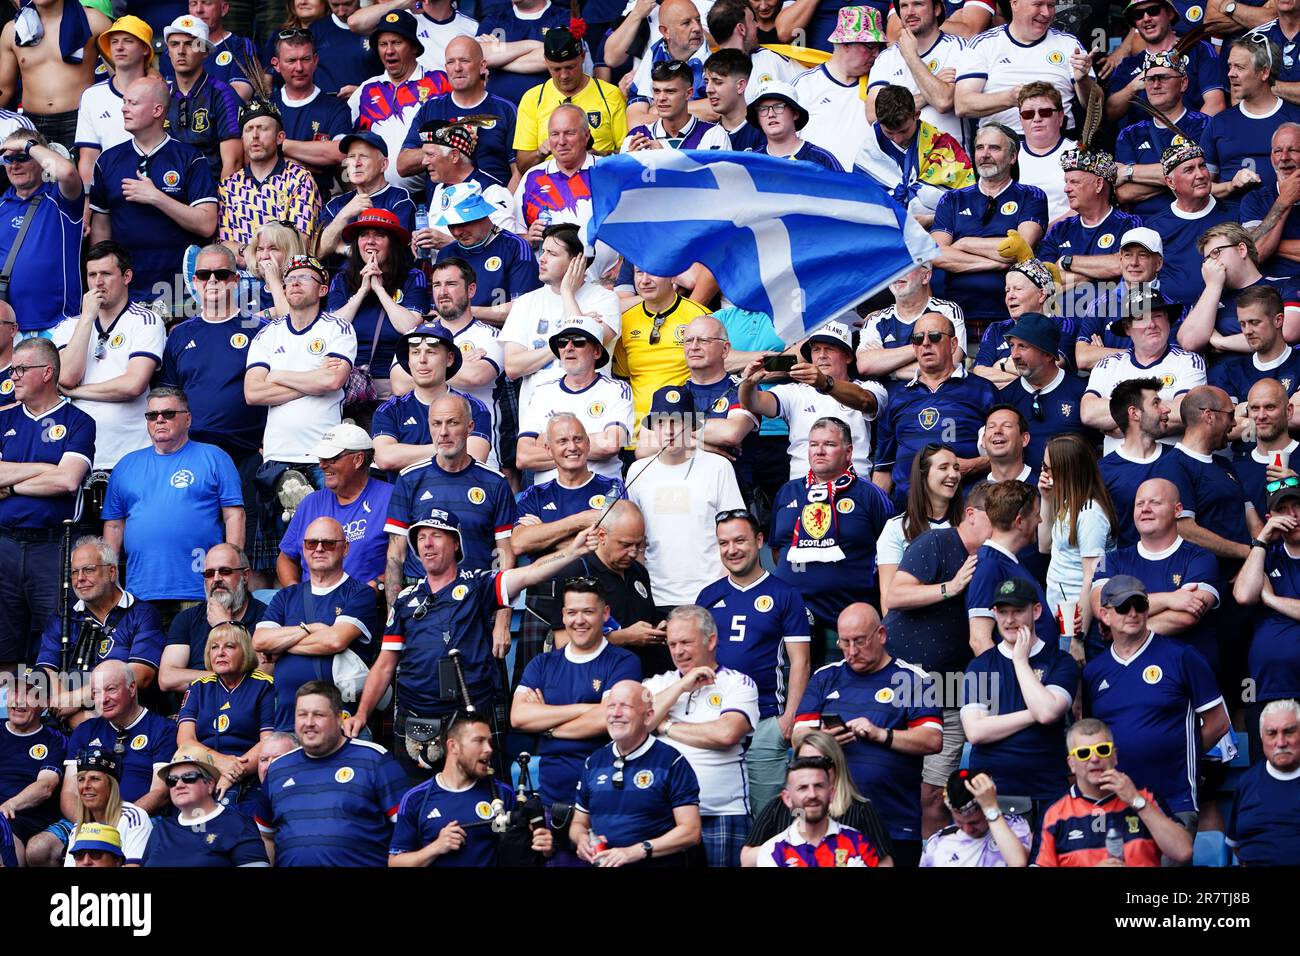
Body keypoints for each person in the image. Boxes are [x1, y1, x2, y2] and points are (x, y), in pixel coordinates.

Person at [347, 509, 603, 777]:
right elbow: (385, 665)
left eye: (436, 535)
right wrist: (362, 714)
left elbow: (531, 574)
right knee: (419, 802)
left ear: (456, 543)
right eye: (421, 537)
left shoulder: (478, 585)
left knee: (484, 796)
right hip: (415, 720)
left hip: (469, 716)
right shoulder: (405, 600)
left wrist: (573, 551)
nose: (427, 543)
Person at [793, 603, 942, 866]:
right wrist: (824, 740)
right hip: (830, 820)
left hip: (893, 821)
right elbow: (797, 737)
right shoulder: (826, 676)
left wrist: (881, 734)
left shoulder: (914, 678)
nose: (851, 651)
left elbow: (932, 739)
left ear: (881, 635)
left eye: (860, 642)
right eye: (845, 642)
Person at [1083, 575, 1230, 829]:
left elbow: (1219, 722)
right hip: (1114, 804)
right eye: (1123, 607)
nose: (1132, 613)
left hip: (1174, 801)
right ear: (1105, 615)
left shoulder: (1181, 657)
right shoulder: (1094, 671)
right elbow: (1090, 735)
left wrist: (1182, 756)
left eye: (1139, 605)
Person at [512, 577, 641, 861]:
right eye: (571, 612)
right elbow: (519, 717)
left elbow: (608, 719)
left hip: (605, 802)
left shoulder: (623, 661)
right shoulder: (543, 664)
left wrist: (548, 727)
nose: (578, 621)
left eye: (588, 612)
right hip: (553, 803)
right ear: (563, 615)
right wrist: (586, 708)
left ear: (605, 613)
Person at [698, 510, 811, 811]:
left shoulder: (785, 595)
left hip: (765, 720)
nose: (731, 550)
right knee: (720, 813)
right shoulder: (707, 596)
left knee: (767, 815)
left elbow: (800, 662)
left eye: (739, 541)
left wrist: (788, 719)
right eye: (723, 543)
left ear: (759, 540)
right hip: (715, 720)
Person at [244, 254, 355, 540]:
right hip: (276, 456)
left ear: (322, 289)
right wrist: (313, 379)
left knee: (326, 541)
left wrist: (278, 374)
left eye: (304, 277)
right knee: (281, 549)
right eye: (290, 279)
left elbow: (333, 379)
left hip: (324, 456)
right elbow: (253, 393)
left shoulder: (337, 328)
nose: (295, 282)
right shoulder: (267, 335)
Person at [101, 387, 244, 610]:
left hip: (200, 589)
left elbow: (235, 516)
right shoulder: (125, 465)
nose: (159, 420)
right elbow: (114, 526)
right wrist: (109, 581)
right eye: (151, 415)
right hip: (140, 590)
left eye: (168, 414)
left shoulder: (214, 457)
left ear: (187, 419)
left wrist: (232, 571)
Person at [0, 337, 95, 671]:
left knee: (54, 643)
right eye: (13, 370)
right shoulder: (4, 420)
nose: (14, 377)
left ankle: (49, 719)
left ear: (47, 372)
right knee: (4, 643)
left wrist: (10, 487)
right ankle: (8, 721)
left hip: (52, 546)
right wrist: (43, 469)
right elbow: (53, 476)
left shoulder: (78, 421)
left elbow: (67, 481)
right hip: (5, 543)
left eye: (22, 369)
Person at [88, 76, 220, 309]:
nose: (123, 108)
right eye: (124, 102)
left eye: (133, 103)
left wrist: (156, 197)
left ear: (157, 110)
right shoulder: (107, 161)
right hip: (127, 293)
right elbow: (101, 229)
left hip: (181, 292)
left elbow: (207, 223)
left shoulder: (189, 158)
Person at [642, 606, 759, 868]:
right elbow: (638, 723)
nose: (678, 651)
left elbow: (726, 733)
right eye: (672, 644)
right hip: (665, 813)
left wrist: (667, 727)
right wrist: (682, 685)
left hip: (721, 813)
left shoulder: (737, 683)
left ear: (712, 640)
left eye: (686, 642)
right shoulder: (659, 684)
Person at [960, 578, 1077, 825]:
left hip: (1046, 792)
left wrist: (1020, 661)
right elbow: (975, 731)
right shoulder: (981, 665)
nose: (1009, 620)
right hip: (992, 795)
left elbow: (1047, 713)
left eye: (1018, 611)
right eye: (1002, 612)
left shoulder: (1060, 661)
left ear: (1036, 611)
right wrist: (1032, 713)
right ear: (994, 613)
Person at [254, 681, 409, 866]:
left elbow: (407, 829)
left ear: (338, 718)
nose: (309, 723)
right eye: (302, 715)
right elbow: (266, 836)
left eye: (318, 715)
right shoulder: (278, 769)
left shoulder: (375, 760)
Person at [628, 386, 746, 616]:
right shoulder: (636, 471)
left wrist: (724, 589)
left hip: (710, 595)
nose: (669, 430)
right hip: (655, 596)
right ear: (653, 427)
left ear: (692, 426)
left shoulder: (718, 467)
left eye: (678, 421)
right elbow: (635, 541)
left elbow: (735, 533)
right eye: (661, 422)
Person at [52, 242, 163, 483]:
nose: (98, 282)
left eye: (106, 274)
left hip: (131, 452)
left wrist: (77, 392)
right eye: (92, 275)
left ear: (127, 276)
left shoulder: (146, 320)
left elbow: (133, 385)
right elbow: (66, 377)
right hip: (77, 455)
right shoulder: (68, 327)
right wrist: (87, 318)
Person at [254, 516, 378, 729]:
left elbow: (334, 641)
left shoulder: (360, 593)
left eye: (328, 543)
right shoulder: (286, 596)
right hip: (287, 724)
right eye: (312, 543)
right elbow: (259, 641)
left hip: (339, 726)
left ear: (345, 548)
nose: (319, 549)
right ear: (303, 548)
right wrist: (309, 629)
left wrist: (282, 647)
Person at [389, 711, 553, 866]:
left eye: (489, 742)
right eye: (479, 741)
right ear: (453, 746)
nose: (488, 749)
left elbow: (519, 856)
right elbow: (395, 862)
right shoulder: (415, 798)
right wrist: (435, 848)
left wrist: (544, 850)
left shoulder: (503, 794)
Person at [383, 393, 515, 585]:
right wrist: (393, 613)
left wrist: (502, 614)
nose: (443, 432)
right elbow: (396, 555)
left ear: (470, 427)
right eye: (436, 424)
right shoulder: (409, 478)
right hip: (421, 599)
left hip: (476, 597)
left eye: (452, 423)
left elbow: (504, 555)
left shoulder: (495, 482)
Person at [569, 679, 702, 867]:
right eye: (611, 706)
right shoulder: (594, 762)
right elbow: (578, 823)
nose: (615, 713)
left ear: (647, 716)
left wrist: (636, 851)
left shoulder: (672, 761)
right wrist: (582, 839)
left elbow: (691, 831)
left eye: (625, 706)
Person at [1091, 477, 1220, 668]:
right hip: (1126, 671)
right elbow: (1100, 607)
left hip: (1184, 674)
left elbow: (1186, 616)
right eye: (1139, 504)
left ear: (1177, 510)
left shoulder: (1201, 558)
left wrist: (1122, 629)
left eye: (1155, 502)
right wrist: (1170, 599)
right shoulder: (1111, 560)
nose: (1145, 509)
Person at [871, 312, 997, 504]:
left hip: (965, 514)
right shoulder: (898, 398)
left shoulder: (983, 390)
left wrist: (973, 465)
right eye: (918, 339)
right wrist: (877, 516)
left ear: (953, 344)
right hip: (909, 515)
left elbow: (1010, 452)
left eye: (935, 336)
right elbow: (883, 468)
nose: (926, 343)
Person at [930, 124, 1048, 328]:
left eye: (994, 148)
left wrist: (964, 243)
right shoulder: (952, 199)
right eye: (980, 148)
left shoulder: (1031, 196)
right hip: (958, 316)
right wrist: (994, 262)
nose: (984, 154)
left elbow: (1019, 248)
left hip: (1012, 316)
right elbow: (934, 253)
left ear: (1012, 157)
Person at [1034, 717, 1194, 866]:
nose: (1095, 758)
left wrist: (1136, 800)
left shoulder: (1145, 798)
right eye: (1084, 753)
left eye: (1103, 749)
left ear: (1115, 756)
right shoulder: (1053, 813)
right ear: (1071, 764)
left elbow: (1183, 852)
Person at [739, 321, 888, 480]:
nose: (822, 355)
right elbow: (752, 402)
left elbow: (865, 401)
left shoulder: (871, 387)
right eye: (816, 350)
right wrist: (748, 383)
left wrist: (825, 383)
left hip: (853, 488)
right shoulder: (794, 392)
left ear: (848, 356)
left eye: (829, 349)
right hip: (802, 488)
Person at [500, 224, 619, 413]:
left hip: (588, 411)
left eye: (552, 254)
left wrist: (567, 293)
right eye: (542, 251)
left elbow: (584, 352)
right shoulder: (526, 303)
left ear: (577, 261)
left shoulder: (604, 299)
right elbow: (513, 367)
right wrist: (566, 337)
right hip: (537, 415)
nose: (542, 259)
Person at [33, 536, 165, 699]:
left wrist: (76, 700)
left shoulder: (143, 614)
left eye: (88, 569)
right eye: (74, 572)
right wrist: (64, 704)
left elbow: (141, 675)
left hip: (123, 714)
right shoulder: (63, 617)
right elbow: (46, 671)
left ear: (111, 572)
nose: (80, 578)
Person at [547, 500, 669, 675]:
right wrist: (626, 637)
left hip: (641, 676)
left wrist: (656, 631)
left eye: (638, 544)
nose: (633, 553)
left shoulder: (638, 571)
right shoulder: (577, 572)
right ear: (602, 536)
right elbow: (564, 643)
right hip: (596, 678)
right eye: (625, 545)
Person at [1082, 290, 1205, 454]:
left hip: (1169, 468)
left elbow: (1186, 413)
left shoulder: (1188, 361)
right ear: (1127, 328)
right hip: (1119, 473)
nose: (1151, 324)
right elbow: (1088, 413)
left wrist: (1126, 425)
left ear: (1168, 320)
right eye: (1141, 318)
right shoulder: (1108, 364)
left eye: (1157, 315)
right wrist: (1159, 413)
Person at [518, 316, 634, 484]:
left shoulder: (615, 389)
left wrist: (552, 442)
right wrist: (588, 443)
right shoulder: (542, 392)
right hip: (548, 497)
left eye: (578, 341)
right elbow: (523, 457)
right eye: (562, 342)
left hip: (600, 492)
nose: (568, 347)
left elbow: (610, 444)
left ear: (597, 351)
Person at [953, 0, 1097, 135]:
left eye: (1051, 5)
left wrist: (1083, 80)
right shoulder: (984, 43)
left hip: (1058, 144)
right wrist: (1009, 99)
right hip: (1000, 146)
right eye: (1038, 4)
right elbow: (962, 105)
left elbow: (1097, 106)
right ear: (1014, 3)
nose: (1046, 13)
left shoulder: (1068, 43)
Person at [347, 11, 452, 192]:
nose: (389, 51)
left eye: (397, 43)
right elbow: (347, 145)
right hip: (376, 200)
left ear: (414, 47)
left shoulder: (440, 83)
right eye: (383, 44)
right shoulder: (365, 90)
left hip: (427, 198)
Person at [279, 425, 394, 587]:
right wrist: (297, 596)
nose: (322, 465)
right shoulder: (311, 503)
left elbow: (403, 559)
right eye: (321, 458)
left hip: (366, 605)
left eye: (331, 458)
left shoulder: (390, 498)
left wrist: (373, 589)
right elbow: (286, 557)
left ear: (358, 459)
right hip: (311, 606)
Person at [327, 208, 425, 396]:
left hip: (395, 384)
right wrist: (363, 291)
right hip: (348, 384)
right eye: (364, 235)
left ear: (393, 243)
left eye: (379, 235)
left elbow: (409, 326)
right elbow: (332, 328)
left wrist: (379, 290)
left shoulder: (412, 276)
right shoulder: (341, 278)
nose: (370, 241)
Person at [1155, 384, 1255, 568]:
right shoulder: (1173, 466)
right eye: (1230, 415)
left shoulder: (1224, 464)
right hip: (1206, 579)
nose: (1234, 423)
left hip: (1246, 575)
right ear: (1209, 416)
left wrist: (1259, 555)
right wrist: (1246, 553)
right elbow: (1184, 529)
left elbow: (1251, 517)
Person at [396, 35, 517, 187]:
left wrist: (505, 206)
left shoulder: (505, 109)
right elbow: (402, 165)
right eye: (450, 62)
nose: (457, 68)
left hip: (492, 205)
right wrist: (448, 140)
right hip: (442, 207)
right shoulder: (431, 108)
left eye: (464, 61)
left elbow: (519, 171)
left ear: (482, 66)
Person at [61, 660, 176, 815]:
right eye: (96, 693)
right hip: (86, 822)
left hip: (138, 821)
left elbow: (160, 793)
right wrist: (87, 827)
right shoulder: (84, 731)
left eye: (111, 689)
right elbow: (69, 793)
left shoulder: (162, 729)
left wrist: (118, 824)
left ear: (132, 688)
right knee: (41, 841)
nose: (103, 699)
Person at [1234, 482, 1300, 751]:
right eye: (1283, 510)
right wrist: (1261, 541)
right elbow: (1244, 595)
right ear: (1272, 518)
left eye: (1298, 507)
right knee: (1269, 775)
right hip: (1267, 687)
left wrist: (1271, 600)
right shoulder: (1265, 557)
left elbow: (1261, 598)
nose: (1293, 515)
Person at [0, 129, 83, 337]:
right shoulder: (2, 204)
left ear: (39, 158)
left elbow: (67, 172)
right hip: (9, 332)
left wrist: (28, 145)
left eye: (22, 157)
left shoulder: (60, 197)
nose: (14, 165)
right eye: (8, 159)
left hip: (57, 325)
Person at [375, 324, 492, 472]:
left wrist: (403, 454)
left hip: (457, 493)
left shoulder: (472, 407)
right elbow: (385, 459)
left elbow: (474, 455)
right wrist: (452, 448)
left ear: (449, 359)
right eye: (415, 352)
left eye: (431, 352)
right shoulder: (390, 409)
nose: (422, 360)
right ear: (409, 360)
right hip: (407, 494)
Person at [175, 622, 274, 795]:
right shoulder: (199, 687)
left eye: (229, 646)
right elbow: (185, 741)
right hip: (203, 767)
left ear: (244, 651)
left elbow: (268, 742)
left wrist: (232, 774)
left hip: (248, 770)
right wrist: (220, 762)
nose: (220, 652)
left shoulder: (263, 685)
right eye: (214, 647)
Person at [1204, 35, 1300, 214]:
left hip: (1290, 219)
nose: (1230, 73)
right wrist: (1230, 186)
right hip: (1231, 224)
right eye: (1230, 66)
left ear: (1264, 72)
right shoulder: (1219, 122)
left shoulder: (1295, 119)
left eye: (1239, 67)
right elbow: (1200, 188)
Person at [1114, 51, 1212, 222]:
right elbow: (1124, 193)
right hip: (1145, 227)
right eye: (1150, 79)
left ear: (1183, 83)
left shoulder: (1204, 125)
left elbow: (1206, 177)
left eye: (1163, 78)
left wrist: (1128, 171)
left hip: (1195, 220)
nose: (1155, 85)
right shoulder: (1130, 134)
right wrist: (1184, 180)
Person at [0, 0, 111, 152]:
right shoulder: (12, 29)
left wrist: (150, 73)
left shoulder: (94, 20)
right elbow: (4, 89)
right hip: (31, 123)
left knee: (84, 174)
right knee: (31, 176)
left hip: (81, 120)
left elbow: (122, 69)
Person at [420, 259, 506, 452]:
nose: (442, 292)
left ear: (471, 290)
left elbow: (476, 376)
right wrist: (459, 362)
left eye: (451, 284)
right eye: (436, 285)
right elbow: (399, 383)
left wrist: (423, 369)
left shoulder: (492, 336)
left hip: (478, 449)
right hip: (423, 447)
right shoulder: (415, 334)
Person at [513, 27, 627, 171]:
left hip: (599, 177)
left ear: (583, 56)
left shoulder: (610, 94)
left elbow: (627, 153)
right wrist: (540, 153)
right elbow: (522, 166)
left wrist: (600, 157)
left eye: (570, 67)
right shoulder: (532, 99)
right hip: (550, 185)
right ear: (546, 62)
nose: (564, 75)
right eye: (556, 69)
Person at [217, 97, 322, 253]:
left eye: (263, 128)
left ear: (280, 138)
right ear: (242, 139)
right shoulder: (228, 186)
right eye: (248, 129)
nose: (255, 135)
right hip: (239, 275)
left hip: (287, 275)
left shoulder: (300, 179)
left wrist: (248, 252)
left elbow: (301, 242)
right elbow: (223, 244)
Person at [614, 268, 711, 436]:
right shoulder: (624, 321)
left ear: (674, 274)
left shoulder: (700, 318)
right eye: (638, 273)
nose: (644, 280)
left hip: (686, 434)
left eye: (653, 272)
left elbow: (715, 377)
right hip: (639, 436)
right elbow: (624, 381)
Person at [159, 544, 267, 692]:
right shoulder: (187, 619)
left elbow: (260, 676)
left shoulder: (266, 617)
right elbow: (167, 678)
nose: (216, 579)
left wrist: (224, 625)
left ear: (245, 576)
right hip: (193, 713)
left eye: (225, 571)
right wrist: (228, 677)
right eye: (209, 573)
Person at [1141, 140, 1238, 305]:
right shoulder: (1155, 226)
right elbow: (1139, 279)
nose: (1200, 174)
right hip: (1174, 318)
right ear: (1170, 182)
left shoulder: (1235, 214)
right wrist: (1141, 321)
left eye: (1202, 166)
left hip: (1231, 312)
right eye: (1189, 170)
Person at [789, 6, 886, 170]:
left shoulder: (879, 84)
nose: (876, 53)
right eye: (870, 46)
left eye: (879, 46)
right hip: (818, 184)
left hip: (867, 186)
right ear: (846, 44)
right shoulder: (805, 85)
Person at [1037, 433, 1116, 631]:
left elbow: (1092, 577)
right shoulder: (1070, 502)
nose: (1043, 473)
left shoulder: (1090, 514)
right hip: (1061, 612)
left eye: (1047, 468)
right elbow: (1044, 546)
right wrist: (1046, 499)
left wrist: (1077, 638)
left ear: (1066, 470)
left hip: (1075, 618)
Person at [967, 479, 1058, 651]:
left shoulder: (1008, 559)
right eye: (1036, 514)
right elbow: (979, 640)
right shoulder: (989, 565)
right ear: (1019, 522)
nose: (1040, 520)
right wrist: (1010, 677)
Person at [430, 182, 539, 323]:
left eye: (463, 223)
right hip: (453, 335)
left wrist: (464, 311)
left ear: (482, 214)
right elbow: (436, 309)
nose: (457, 232)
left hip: (501, 336)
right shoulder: (446, 253)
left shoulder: (515, 247)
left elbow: (524, 309)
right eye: (451, 225)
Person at [997, 313, 1093, 471]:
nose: (1014, 355)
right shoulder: (1005, 398)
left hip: (1071, 490)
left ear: (1048, 354)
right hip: (1022, 492)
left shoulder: (1082, 391)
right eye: (1012, 345)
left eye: (1023, 346)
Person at [141, 745, 268, 865]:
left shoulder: (238, 824)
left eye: (189, 777)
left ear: (210, 784)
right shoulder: (161, 829)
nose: (179, 785)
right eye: (172, 780)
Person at [1039, 139, 1141, 288]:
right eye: (1066, 182)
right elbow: (1044, 278)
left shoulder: (1128, 224)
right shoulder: (1059, 230)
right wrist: (1097, 272)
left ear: (1098, 184)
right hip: (1062, 310)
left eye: (1074, 182)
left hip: (1111, 309)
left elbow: (1121, 265)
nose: (1066, 189)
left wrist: (1067, 261)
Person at [1106, 0, 1223, 128]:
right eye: (1138, 14)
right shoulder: (1129, 65)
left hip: (1191, 141)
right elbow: (1110, 113)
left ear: (1170, 13)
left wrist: (1187, 142)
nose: (1146, 18)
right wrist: (1133, 86)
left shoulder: (1198, 50)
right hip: (1143, 144)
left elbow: (1215, 103)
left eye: (1153, 11)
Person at [27, 749, 152, 868]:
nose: (85, 786)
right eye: (81, 780)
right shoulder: (77, 828)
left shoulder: (133, 817)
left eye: (95, 779)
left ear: (111, 785)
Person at [749, 756, 885, 866]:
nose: (812, 794)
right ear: (787, 798)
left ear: (831, 793)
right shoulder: (772, 851)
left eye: (818, 786)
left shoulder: (858, 843)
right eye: (803, 787)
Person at [868, 0, 964, 148]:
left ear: (937, 9)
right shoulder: (886, 57)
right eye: (904, 6)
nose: (909, 12)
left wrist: (910, 57)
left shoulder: (958, 47)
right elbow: (873, 115)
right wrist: (930, 93)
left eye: (918, 4)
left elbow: (943, 101)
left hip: (949, 161)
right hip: (898, 164)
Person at [162, 15, 244, 180]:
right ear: (168, 52)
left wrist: (219, 202)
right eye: (174, 44)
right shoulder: (161, 94)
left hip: (210, 191)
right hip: (166, 189)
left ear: (205, 51)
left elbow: (233, 162)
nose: (181, 51)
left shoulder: (222, 94)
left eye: (190, 44)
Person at [268, 30, 349, 196]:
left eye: (305, 59)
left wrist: (280, 145)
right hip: (269, 201)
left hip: (318, 201)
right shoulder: (265, 107)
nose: (299, 68)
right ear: (276, 64)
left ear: (315, 61)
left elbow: (339, 153)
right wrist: (308, 162)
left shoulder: (336, 108)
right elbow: (250, 156)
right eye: (291, 60)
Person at [1073, 228, 1166, 372]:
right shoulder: (1100, 304)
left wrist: (1104, 354)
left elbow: (1168, 358)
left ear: (1158, 263)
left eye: (1142, 255)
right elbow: (1083, 358)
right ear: (1121, 261)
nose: (1134, 263)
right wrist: (1136, 353)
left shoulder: (1171, 304)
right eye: (1128, 255)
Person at [0, 669, 66, 864]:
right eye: (15, 692)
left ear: (45, 704)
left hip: (22, 819)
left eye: (29, 694)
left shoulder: (55, 740)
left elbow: (45, 787)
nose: (19, 701)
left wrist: (9, 805)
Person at [857, 265, 967, 383]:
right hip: (890, 400)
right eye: (893, 268)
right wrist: (932, 346)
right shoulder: (876, 320)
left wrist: (888, 369)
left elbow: (951, 362)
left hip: (937, 397)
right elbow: (865, 365)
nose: (897, 274)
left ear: (926, 276)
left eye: (905, 267)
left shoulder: (948, 310)